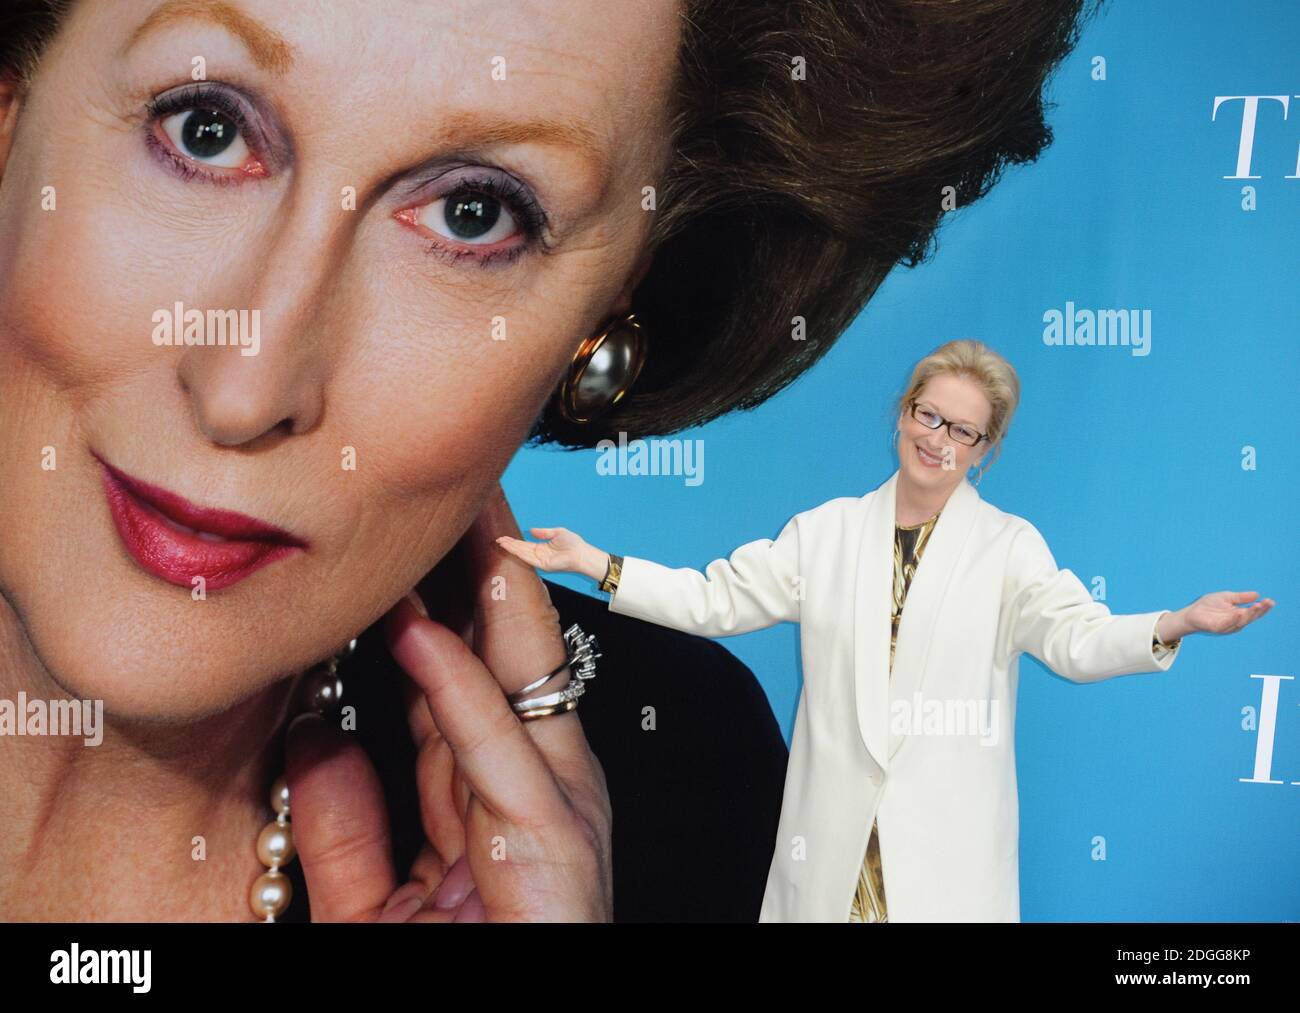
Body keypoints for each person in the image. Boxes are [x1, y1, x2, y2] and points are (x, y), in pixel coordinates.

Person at [0, 0, 1102, 921]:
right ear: (11, 111)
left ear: (601, 336)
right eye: (202, 129)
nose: (244, 389)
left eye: (473, 214)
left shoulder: (679, 793)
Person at [497, 339, 1275, 922]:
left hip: (944, 861)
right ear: (903, 412)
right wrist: (596, 563)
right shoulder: (826, 532)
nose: (937, 438)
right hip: (829, 846)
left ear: (985, 449)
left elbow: (1076, 641)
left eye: (963, 431)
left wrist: (1175, 623)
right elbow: (714, 600)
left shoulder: (1009, 549)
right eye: (927, 414)